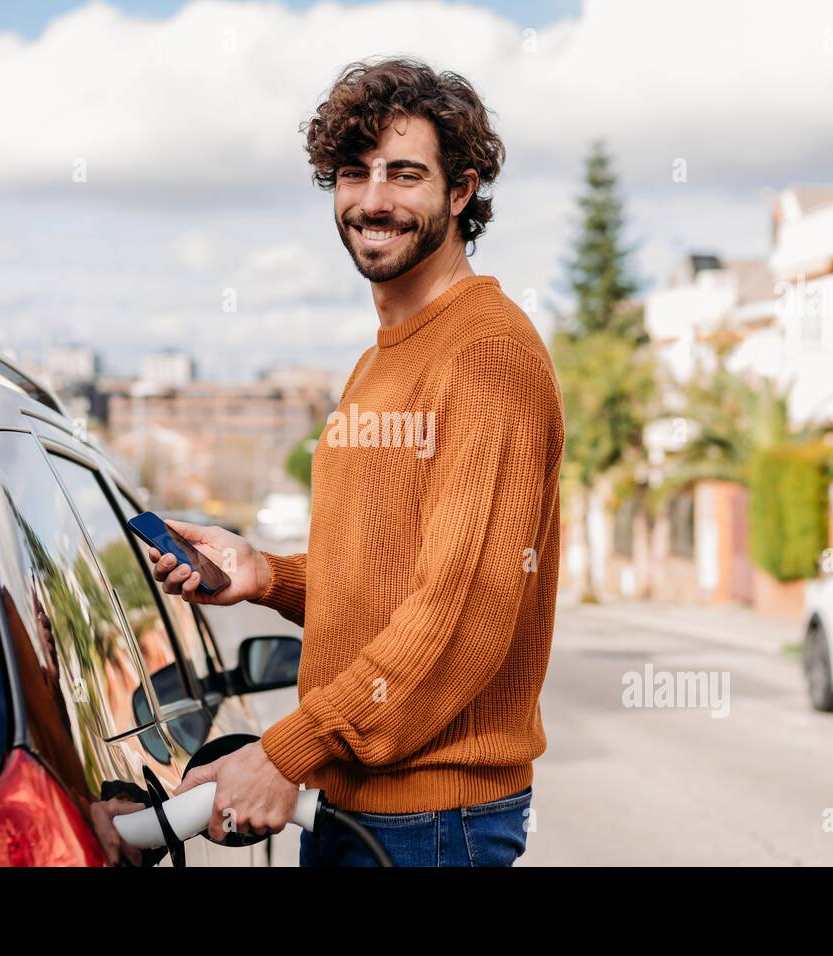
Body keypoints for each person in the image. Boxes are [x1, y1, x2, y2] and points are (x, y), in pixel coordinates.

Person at [93, 56, 563, 868]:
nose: (374, 199)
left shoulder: (488, 354)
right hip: (355, 807)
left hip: (430, 824)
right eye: (354, 173)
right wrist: (267, 576)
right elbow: (396, 577)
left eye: (406, 174)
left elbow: (459, 617)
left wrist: (285, 751)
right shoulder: (376, 364)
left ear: (461, 192)